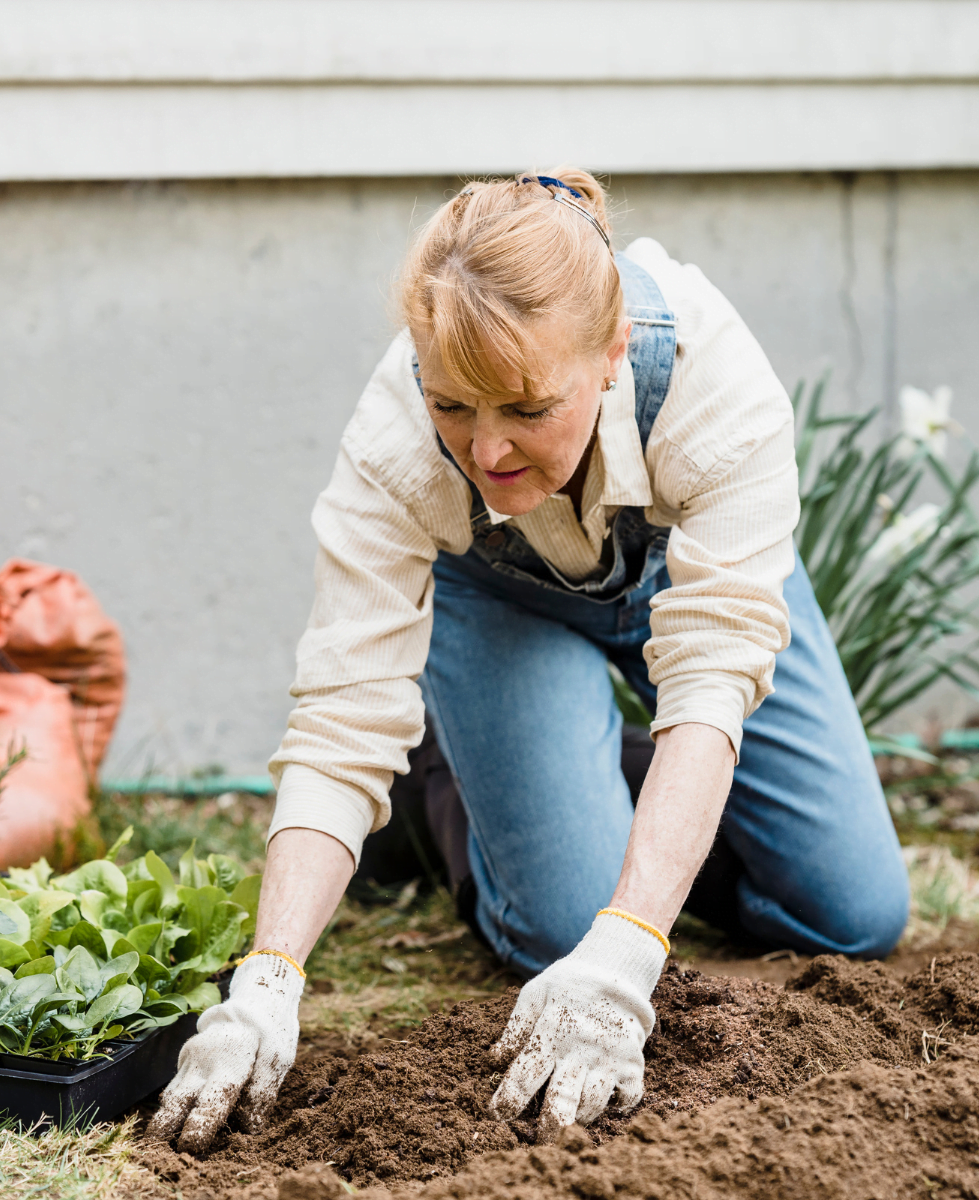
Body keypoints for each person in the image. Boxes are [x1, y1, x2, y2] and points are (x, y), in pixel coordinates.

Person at [150, 170, 909, 1153]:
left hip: (692, 580)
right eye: (453, 405)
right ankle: (443, 789)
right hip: (497, 601)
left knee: (853, 913)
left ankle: (552, 772)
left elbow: (714, 675)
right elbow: (342, 721)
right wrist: (267, 979)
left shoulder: (715, 383)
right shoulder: (393, 447)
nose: (489, 450)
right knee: (561, 932)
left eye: (525, 405)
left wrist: (633, 945)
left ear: (610, 352)